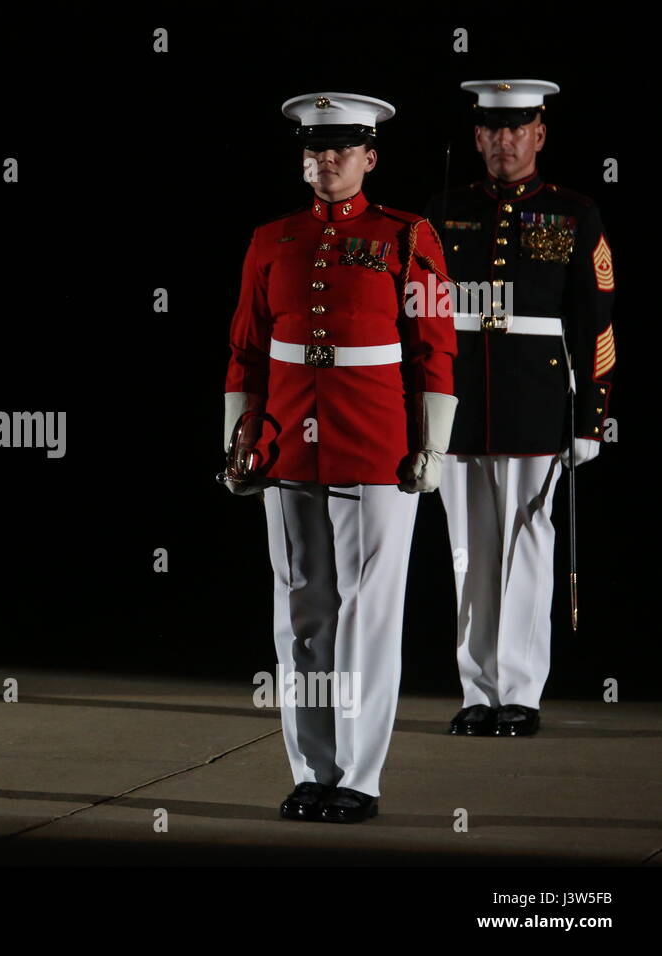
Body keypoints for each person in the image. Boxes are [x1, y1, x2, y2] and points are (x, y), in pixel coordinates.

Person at [223, 92, 457, 823]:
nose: (327, 160)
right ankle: (311, 769)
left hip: (377, 441)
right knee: (301, 613)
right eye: (315, 149)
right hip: (288, 440)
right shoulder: (272, 238)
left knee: (368, 614)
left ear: (369, 157)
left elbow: (435, 347)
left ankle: (359, 775)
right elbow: (245, 350)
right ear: (302, 156)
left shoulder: (409, 236)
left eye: (342, 148)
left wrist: (435, 444)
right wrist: (239, 439)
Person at [424, 80, 616, 738]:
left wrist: (590, 417)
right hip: (461, 401)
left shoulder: (573, 213)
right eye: (492, 130)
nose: (504, 141)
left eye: (518, 128)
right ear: (477, 137)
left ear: (539, 134)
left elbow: (596, 324)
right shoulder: (443, 210)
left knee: (529, 547)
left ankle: (521, 693)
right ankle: (477, 691)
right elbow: (421, 317)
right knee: (467, 552)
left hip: (539, 398)